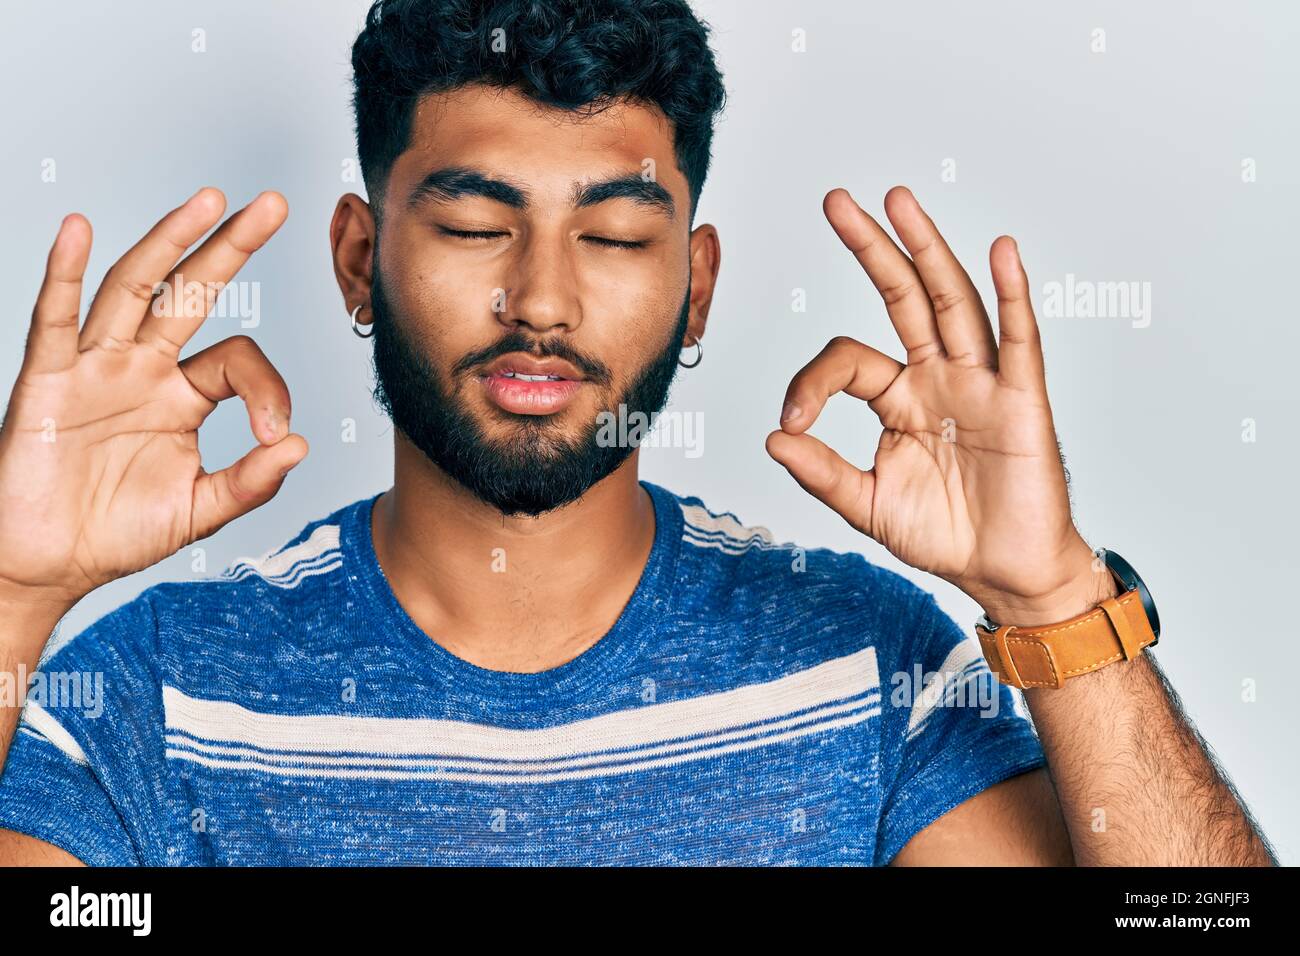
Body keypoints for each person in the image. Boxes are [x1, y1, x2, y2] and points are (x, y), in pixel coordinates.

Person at [0, 0, 1276, 865]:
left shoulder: (865, 669)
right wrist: (9, 595)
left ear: (698, 283)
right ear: (356, 260)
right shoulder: (143, 699)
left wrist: (1051, 597)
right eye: (471, 226)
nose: (542, 299)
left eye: (612, 236)